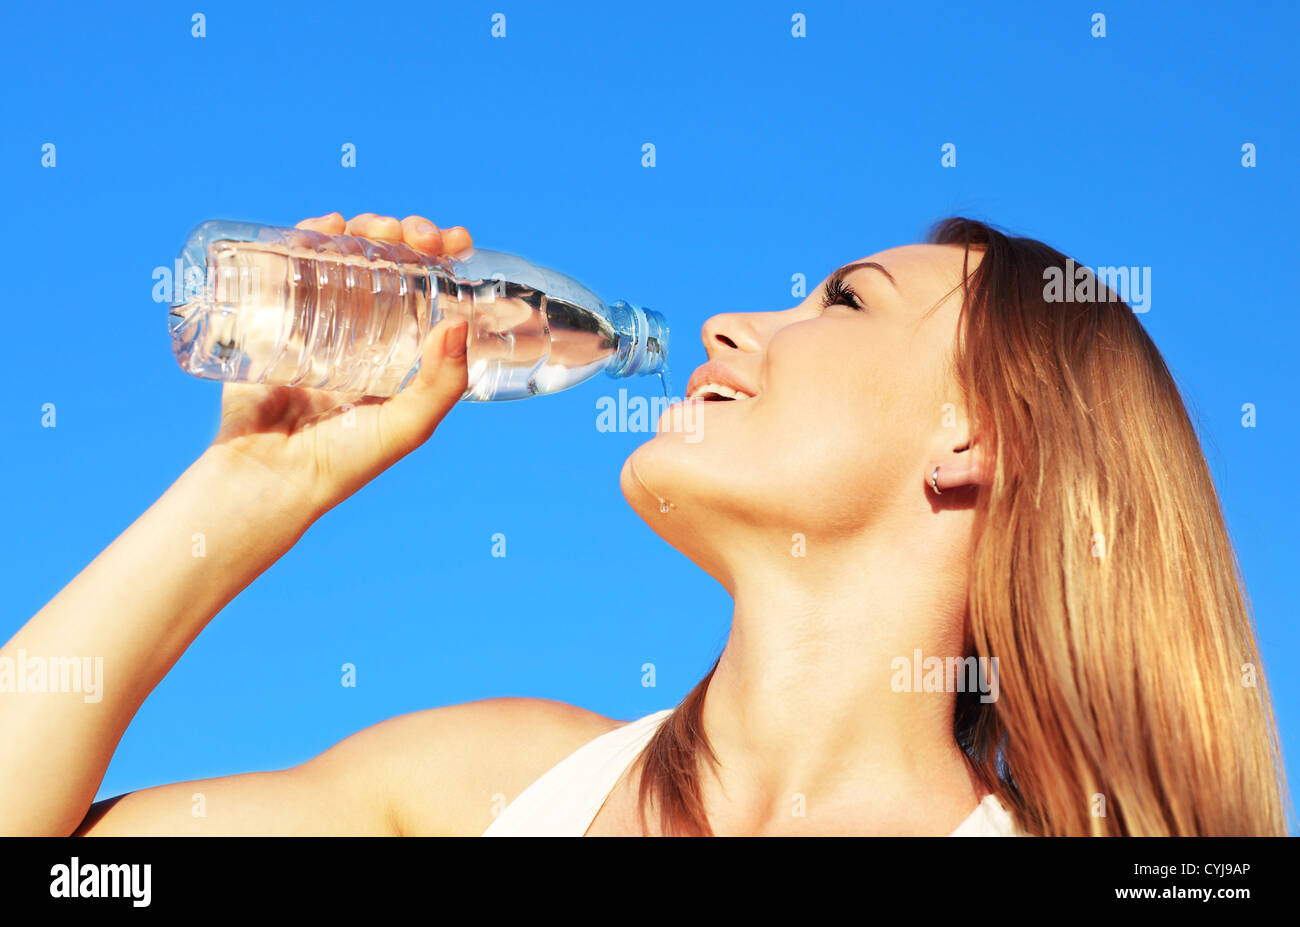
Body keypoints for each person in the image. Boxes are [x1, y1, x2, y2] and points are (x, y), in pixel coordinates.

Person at [0, 212, 1287, 836]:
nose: (733, 325)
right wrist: (247, 494)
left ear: (976, 436)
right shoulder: (499, 786)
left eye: (843, 302)